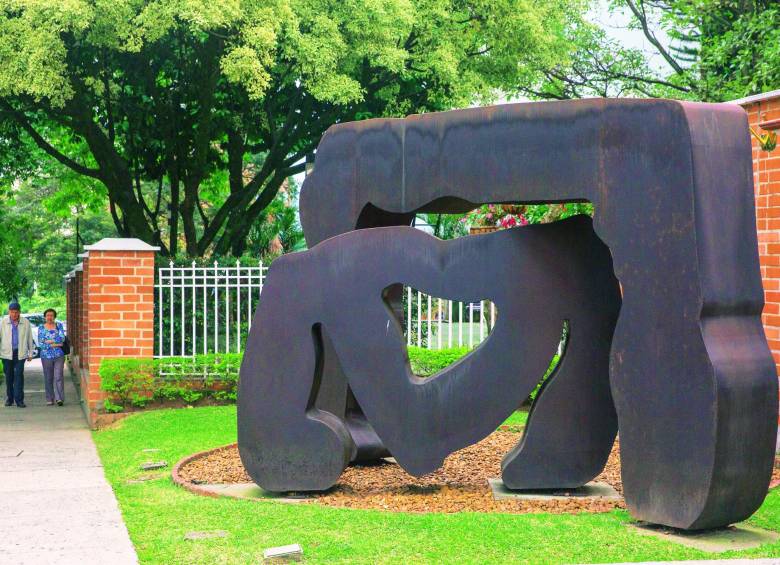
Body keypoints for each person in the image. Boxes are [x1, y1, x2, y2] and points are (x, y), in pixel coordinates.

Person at [0, 302, 34, 408]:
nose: (14, 314)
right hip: (6, 354)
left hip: (20, 353)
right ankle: (10, 399)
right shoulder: (3, 322)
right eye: (12, 312)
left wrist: (30, 353)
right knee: (9, 376)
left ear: (19, 312)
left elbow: (29, 338)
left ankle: (19, 400)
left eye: (16, 312)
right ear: (9, 312)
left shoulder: (25, 322)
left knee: (19, 376)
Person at [39, 308, 66, 406]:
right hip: (46, 357)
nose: (49, 317)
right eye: (48, 315)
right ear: (45, 317)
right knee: (48, 378)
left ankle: (59, 399)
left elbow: (62, 339)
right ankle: (50, 398)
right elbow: (41, 344)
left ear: (54, 317)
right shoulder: (41, 328)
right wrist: (55, 343)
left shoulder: (59, 326)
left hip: (59, 355)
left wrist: (49, 341)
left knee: (58, 376)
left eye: (51, 315)